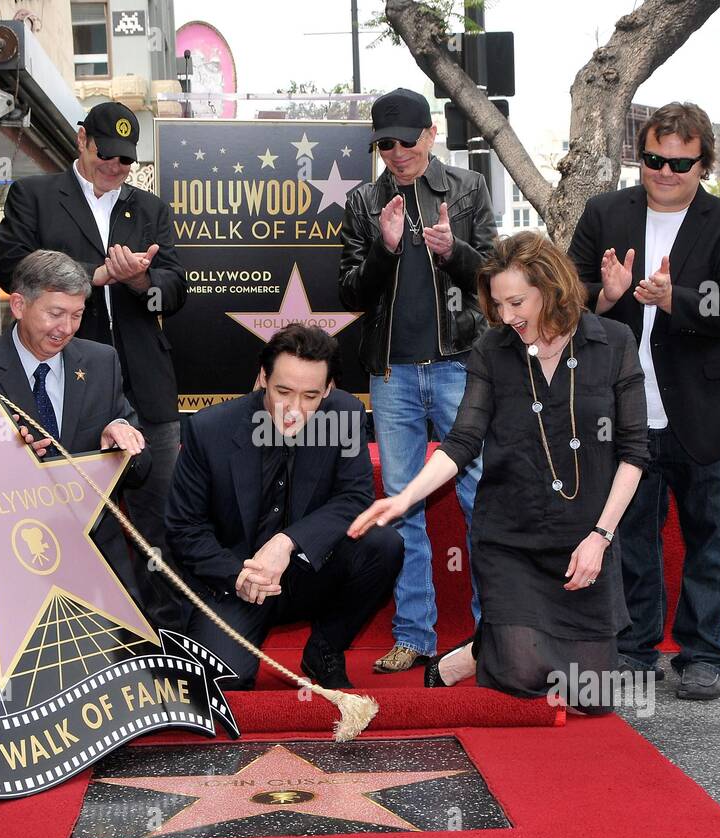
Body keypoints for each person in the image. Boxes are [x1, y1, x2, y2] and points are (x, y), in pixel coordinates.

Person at [348, 232, 647, 709]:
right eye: (498, 303)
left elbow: (633, 452)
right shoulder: (492, 349)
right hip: (511, 536)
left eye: (516, 302)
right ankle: (495, 645)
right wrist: (404, 497)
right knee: (524, 677)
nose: (507, 316)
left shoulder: (611, 342)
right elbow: (463, 439)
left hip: (585, 538)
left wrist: (601, 537)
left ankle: (481, 648)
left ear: (551, 287)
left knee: (593, 698)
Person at [566, 101, 720, 700]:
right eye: (654, 158)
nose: (665, 171)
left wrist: (675, 297)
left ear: (704, 163)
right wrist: (606, 296)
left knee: (709, 540)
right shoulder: (604, 212)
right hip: (624, 412)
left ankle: (704, 654)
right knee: (631, 539)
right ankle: (635, 647)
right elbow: (563, 296)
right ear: (639, 155)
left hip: (705, 412)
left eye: (680, 162)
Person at [0, 100, 187, 633]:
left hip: (145, 382)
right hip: (60, 383)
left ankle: (161, 639)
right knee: (66, 518)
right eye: (106, 156)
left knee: (156, 519)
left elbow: (175, 289)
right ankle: (65, 634)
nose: (116, 169)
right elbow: (11, 269)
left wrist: (140, 282)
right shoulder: (34, 195)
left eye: (126, 160)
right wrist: (96, 274)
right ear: (81, 140)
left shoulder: (149, 208)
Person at [0, 250, 150, 690]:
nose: (66, 328)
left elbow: (126, 438)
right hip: (7, 558)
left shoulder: (101, 361)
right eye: (55, 313)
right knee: (9, 689)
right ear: (18, 305)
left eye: (76, 314)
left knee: (100, 685)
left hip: (87, 551)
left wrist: (121, 429)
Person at [338, 87, 495, 674]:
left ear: (431, 135)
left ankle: (491, 633)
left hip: (460, 365)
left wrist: (455, 252)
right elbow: (348, 291)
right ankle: (414, 634)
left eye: (408, 140)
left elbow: (495, 276)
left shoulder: (467, 188)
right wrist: (383, 249)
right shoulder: (363, 201)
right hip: (391, 373)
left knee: (482, 498)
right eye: (386, 143)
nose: (398, 153)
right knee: (402, 505)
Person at [165, 325, 403, 690]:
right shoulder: (208, 429)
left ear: (329, 390)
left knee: (383, 545)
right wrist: (238, 575)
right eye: (283, 392)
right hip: (239, 581)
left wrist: (286, 542)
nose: (294, 410)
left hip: (311, 572)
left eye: (310, 396)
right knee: (221, 680)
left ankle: (324, 650)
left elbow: (354, 498)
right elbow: (184, 528)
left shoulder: (343, 414)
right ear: (263, 378)